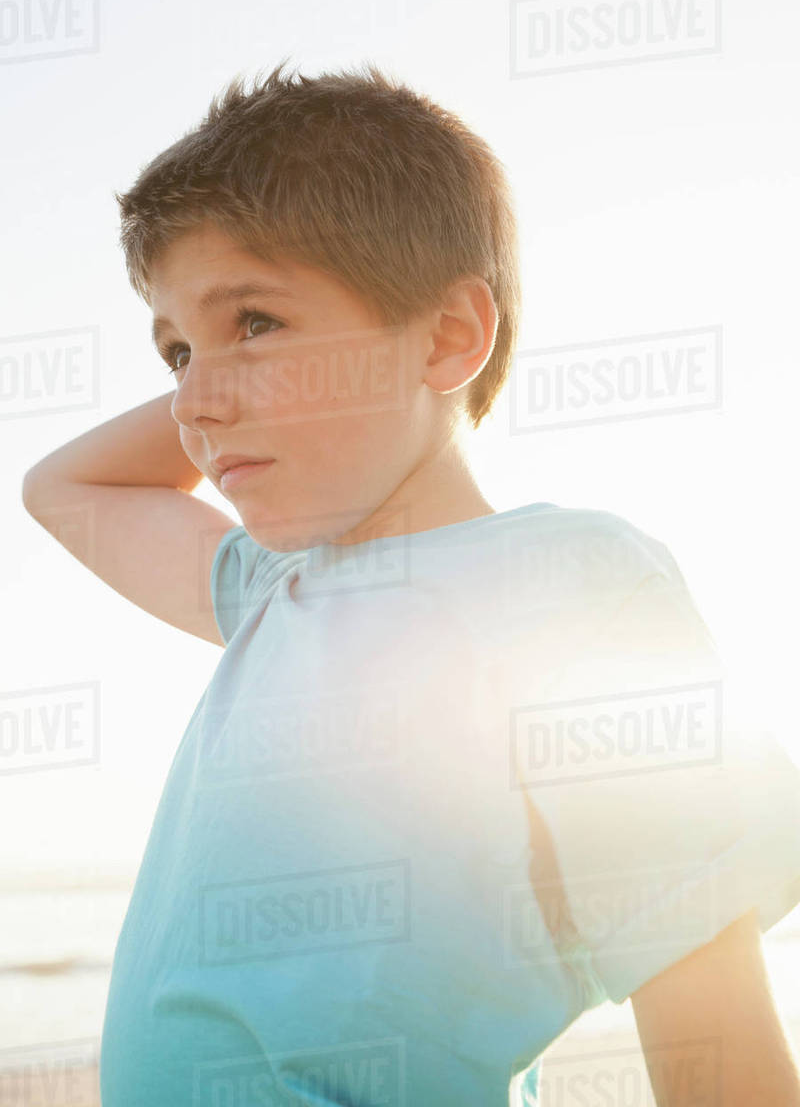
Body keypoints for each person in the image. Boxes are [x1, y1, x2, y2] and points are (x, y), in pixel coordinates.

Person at [22, 60, 800, 1105]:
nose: (193, 405)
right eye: (171, 351)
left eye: (254, 321)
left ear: (445, 336)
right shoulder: (269, 593)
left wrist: (219, 368)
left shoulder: (573, 591)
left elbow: (715, 1041)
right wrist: (226, 371)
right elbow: (60, 486)